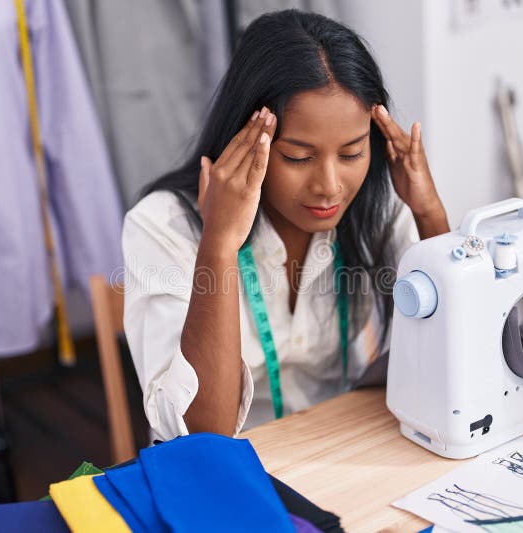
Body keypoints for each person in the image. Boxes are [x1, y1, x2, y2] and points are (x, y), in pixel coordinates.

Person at [122, 9, 449, 441]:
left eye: (352, 154)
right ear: (245, 138)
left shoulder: (376, 210)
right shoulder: (163, 225)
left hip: (340, 452)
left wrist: (428, 212)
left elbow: (457, 353)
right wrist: (219, 244)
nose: (330, 186)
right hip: (228, 474)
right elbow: (206, 434)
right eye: (298, 157)